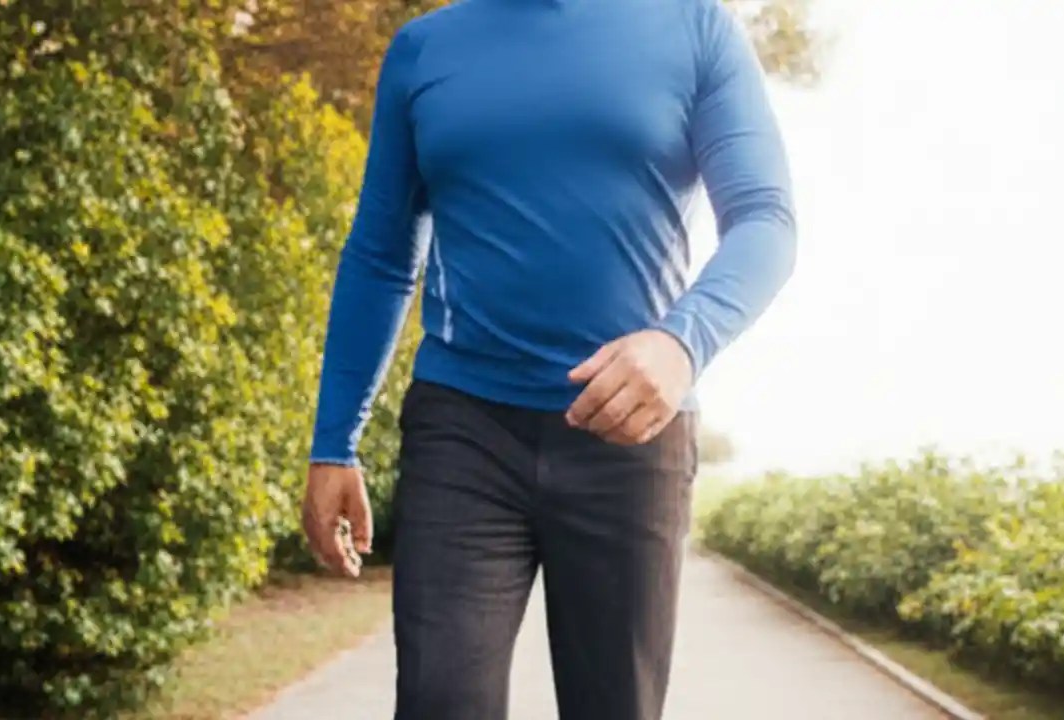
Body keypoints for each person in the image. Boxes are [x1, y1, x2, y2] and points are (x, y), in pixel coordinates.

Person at [300, 0, 796, 716]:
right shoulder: (424, 49)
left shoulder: (695, 28)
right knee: (440, 701)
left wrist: (683, 342)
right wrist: (333, 442)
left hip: (631, 432)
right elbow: (380, 256)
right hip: (464, 432)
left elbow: (764, 217)